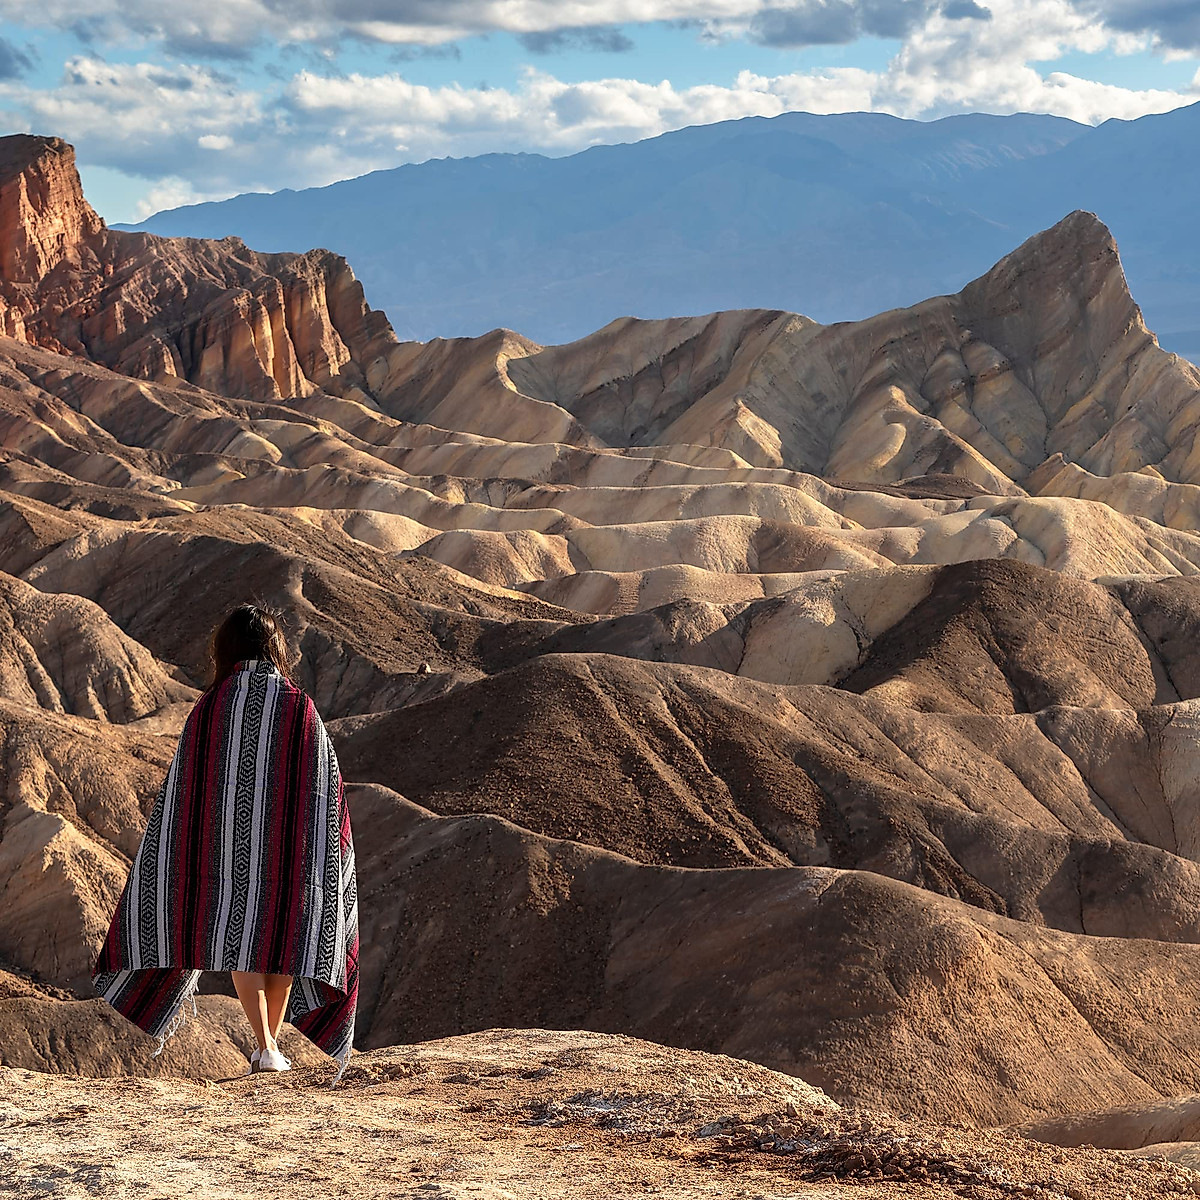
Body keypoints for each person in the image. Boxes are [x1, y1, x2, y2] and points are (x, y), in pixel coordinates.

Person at [92, 604, 359, 1082]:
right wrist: (322, 849)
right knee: (283, 944)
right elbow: (324, 789)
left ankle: (266, 1046)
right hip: (288, 851)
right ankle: (267, 1047)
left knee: (235, 938)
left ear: (225, 650)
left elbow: (184, 792)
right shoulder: (300, 706)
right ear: (276, 650)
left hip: (219, 853)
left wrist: (180, 848)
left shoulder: (211, 705)